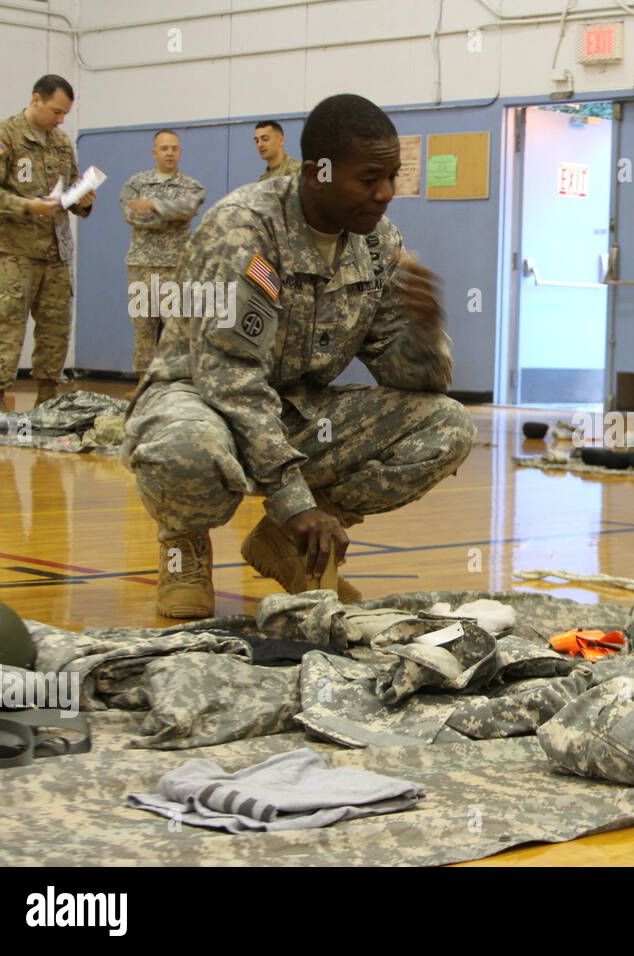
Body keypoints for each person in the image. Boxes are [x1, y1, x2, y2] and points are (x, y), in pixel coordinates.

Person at [122, 93, 475, 619]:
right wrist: (294, 501)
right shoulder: (244, 230)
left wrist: (424, 330)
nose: (385, 195)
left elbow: (411, 380)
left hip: (296, 410)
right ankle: (183, 545)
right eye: (369, 178)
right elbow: (230, 377)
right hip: (203, 400)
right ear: (319, 173)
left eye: (392, 177)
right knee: (186, 451)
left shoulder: (377, 243)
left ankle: (289, 546)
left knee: (447, 426)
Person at [0, 75, 94, 412]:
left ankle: (47, 398)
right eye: (56, 111)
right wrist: (26, 204)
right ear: (36, 99)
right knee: (7, 326)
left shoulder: (61, 142)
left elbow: (70, 191)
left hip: (56, 253)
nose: (60, 120)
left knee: (55, 330)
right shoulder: (3, 135)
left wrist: (82, 201)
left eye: (65, 114)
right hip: (15, 253)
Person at [118, 129, 205, 387]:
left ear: (180, 152)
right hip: (141, 266)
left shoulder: (191, 185)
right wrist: (170, 214)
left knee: (176, 331)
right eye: (164, 148)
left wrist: (153, 205)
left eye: (174, 148)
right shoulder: (135, 184)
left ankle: (172, 388)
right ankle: (143, 387)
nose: (169, 153)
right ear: (154, 151)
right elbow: (132, 215)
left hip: (176, 268)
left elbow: (188, 208)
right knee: (143, 329)